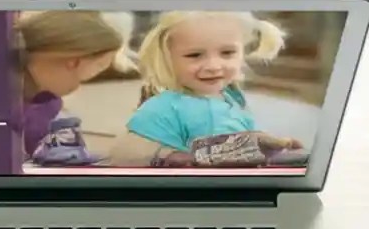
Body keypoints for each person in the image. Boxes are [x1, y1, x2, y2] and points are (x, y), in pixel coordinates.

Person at [110, 11, 307, 168]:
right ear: (167, 57)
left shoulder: (232, 98)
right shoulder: (163, 107)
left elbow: (235, 144)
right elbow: (124, 153)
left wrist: (272, 147)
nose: (213, 65)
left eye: (227, 53)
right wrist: (176, 157)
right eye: (195, 55)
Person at [14, 10, 135, 161]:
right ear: (74, 62)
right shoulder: (3, 101)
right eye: (99, 65)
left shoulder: (46, 103)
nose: (78, 87)